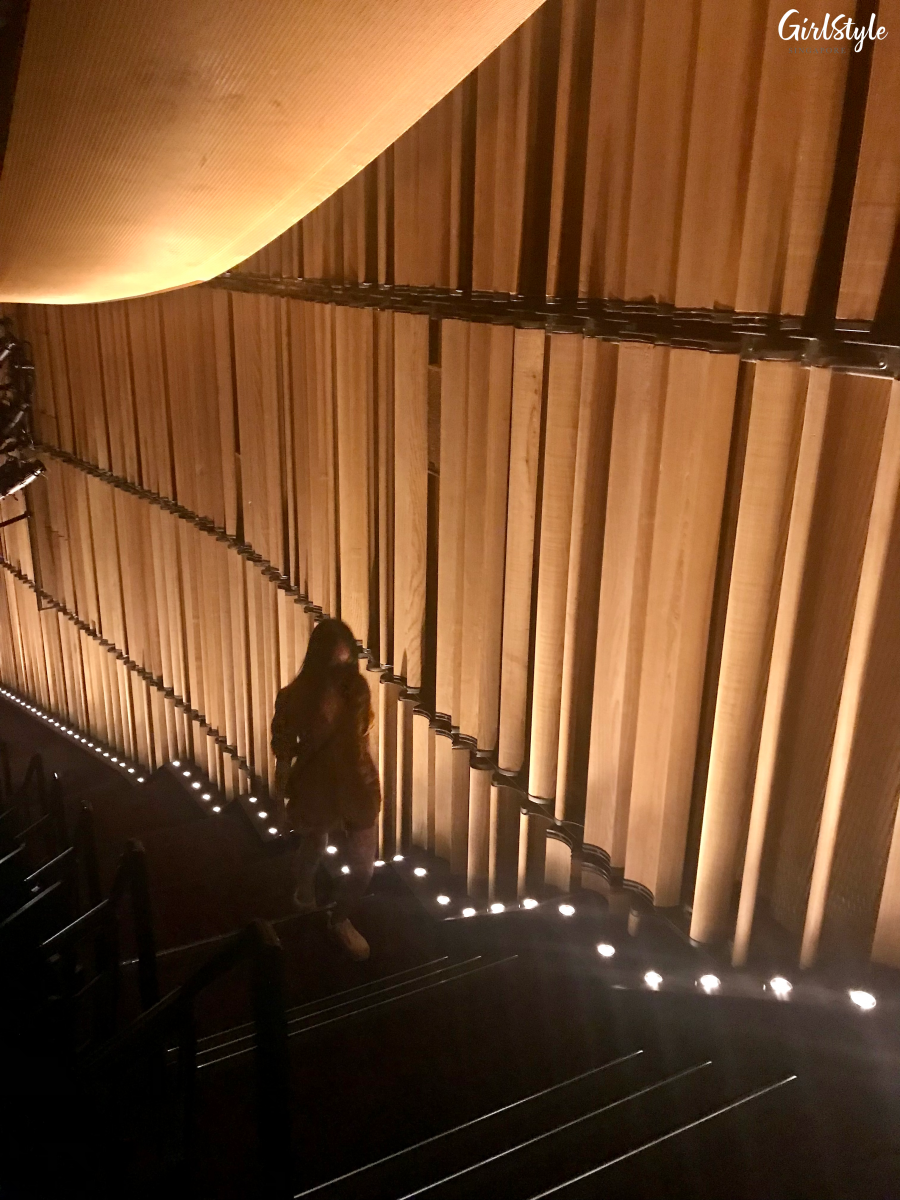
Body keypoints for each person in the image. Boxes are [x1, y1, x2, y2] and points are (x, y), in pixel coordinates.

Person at [271, 619, 381, 961]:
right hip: (315, 785)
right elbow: (284, 749)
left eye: (347, 666)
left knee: (364, 867)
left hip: (356, 784)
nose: (343, 674)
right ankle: (305, 889)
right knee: (314, 843)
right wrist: (279, 796)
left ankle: (339, 917)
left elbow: (361, 739)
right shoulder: (293, 698)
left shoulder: (358, 691)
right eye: (335, 666)